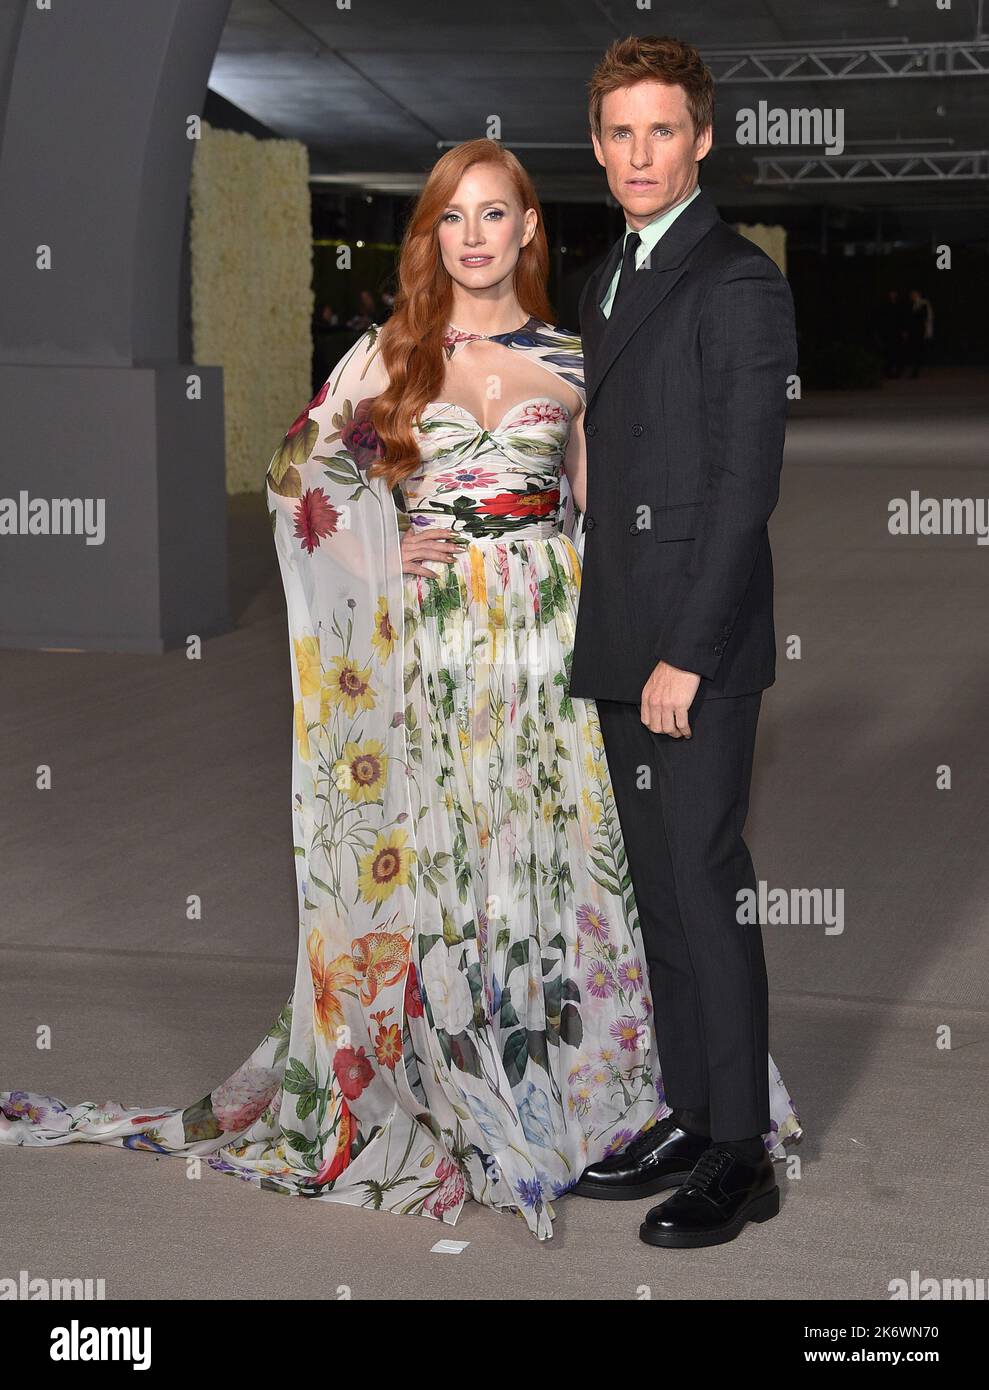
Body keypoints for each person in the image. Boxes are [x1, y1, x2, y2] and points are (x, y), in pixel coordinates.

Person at [0, 138, 801, 1242]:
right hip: (432, 653)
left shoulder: (577, 359)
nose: (471, 237)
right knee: (447, 858)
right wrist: (385, 542)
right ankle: (460, 1078)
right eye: (449, 219)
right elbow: (298, 481)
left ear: (527, 229)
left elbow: (599, 517)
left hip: (550, 647)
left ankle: (604, 1089)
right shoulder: (387, 359)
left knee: (565, 860)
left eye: (493, 215)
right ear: (430, 238)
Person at [569, 35, 802, 1248]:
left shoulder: (737, 279)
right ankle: (689, 1107)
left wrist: (687, 654)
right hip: (618, 630)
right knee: (656, 888)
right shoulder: (607, 274)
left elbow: (740, 486)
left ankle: (740, 1155)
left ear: (702, 139)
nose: (638, 153)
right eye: (619, 132)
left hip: (689, 645)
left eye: (662, 130)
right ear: (599, 143)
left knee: (705, 882)